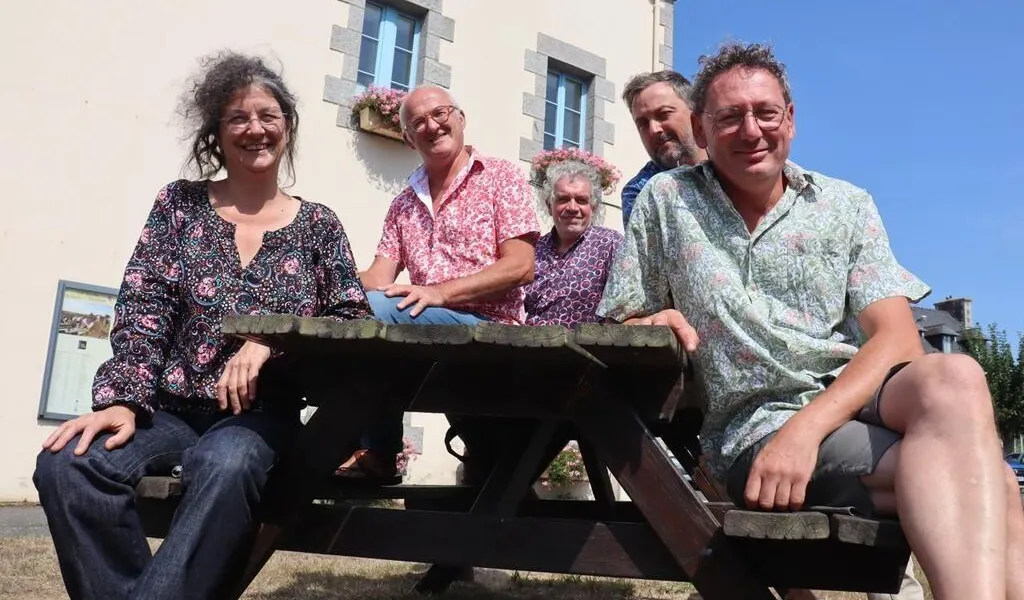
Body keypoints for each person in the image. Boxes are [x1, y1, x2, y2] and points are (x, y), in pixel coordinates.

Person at [598, 42, 1020, 600]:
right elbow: (621, 316)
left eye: (766, 113)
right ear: (702, 128)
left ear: (790, 119)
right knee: (985, 478)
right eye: (729, 117)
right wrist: (651, 320)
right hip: (757, 422)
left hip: (842, 400)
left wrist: (806, 431)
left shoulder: (844, 203)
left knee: (957, 374)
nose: (752, 130)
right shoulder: (665, 200)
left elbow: (896, 336)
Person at [33, 52, 372, 600]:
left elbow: (350, 318)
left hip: (259, 418)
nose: (254, 129)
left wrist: (270, 341)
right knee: (66, 465)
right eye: (237, 117)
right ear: (216, 131)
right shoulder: (179, 206)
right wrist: (122, 400)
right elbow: (145, 307)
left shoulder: (319, 225)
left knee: (226, 462)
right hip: (167, 410)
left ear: (288, 126)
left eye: (268, 116)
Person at [336, 84, 540, 483]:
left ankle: (375, 450)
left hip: (491, 331)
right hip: (427, 332)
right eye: (418, 123)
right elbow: (379, 277)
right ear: (409, 139)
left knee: (372, 311)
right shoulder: (403, 203)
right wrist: (325, 281)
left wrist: (440, 293)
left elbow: (521, 266)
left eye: (440, 114)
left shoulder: (501, 177)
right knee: (350, 306)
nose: (432, 125)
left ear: (460, 119)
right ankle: (354, 445)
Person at [524, 159, 623, 327]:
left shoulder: (611, 244)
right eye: (563, 199)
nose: (572, 207)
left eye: (581, 200)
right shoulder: (533, 250)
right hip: (527, 345)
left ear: (594, 206)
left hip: (584, 349)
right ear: (549, 206)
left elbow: (620, 309)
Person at [619, 70, 707, 227]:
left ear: (694, 112)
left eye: (664, 114)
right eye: (643, 124)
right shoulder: (639, 192)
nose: (654, 129)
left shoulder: (731, 159)